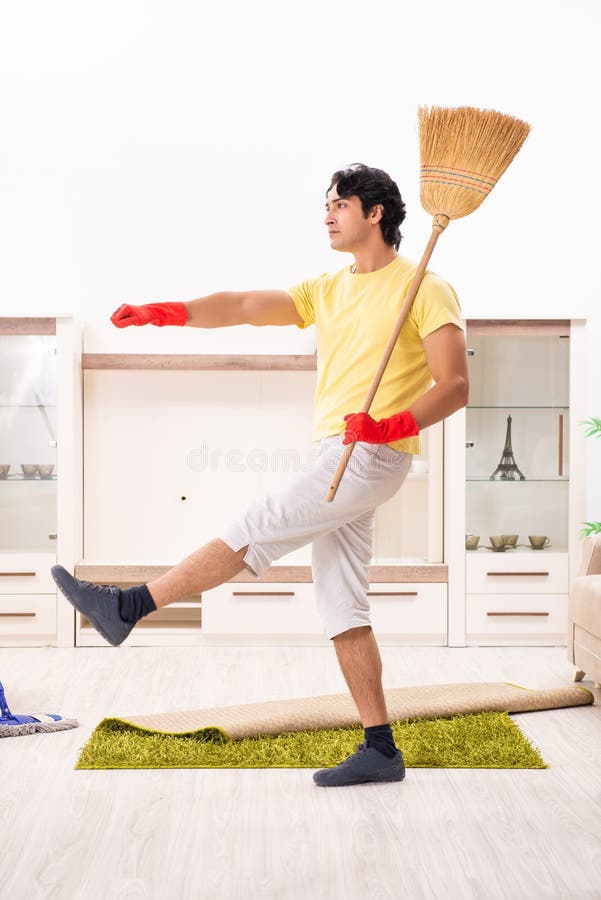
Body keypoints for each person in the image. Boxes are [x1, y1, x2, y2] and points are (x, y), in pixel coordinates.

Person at [52, 163, 469, 787]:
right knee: (342, 605)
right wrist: (167, 312)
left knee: (257, 526)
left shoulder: (425, 288)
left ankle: (129, 606)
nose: (327, 214)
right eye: (325, 205)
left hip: (373, 453)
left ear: (374, 212)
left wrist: (388, 426)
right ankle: (381, 747)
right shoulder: (330, 289)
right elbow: (246, 305)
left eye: (338, 204)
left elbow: (456, 386)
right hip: (339, 452)